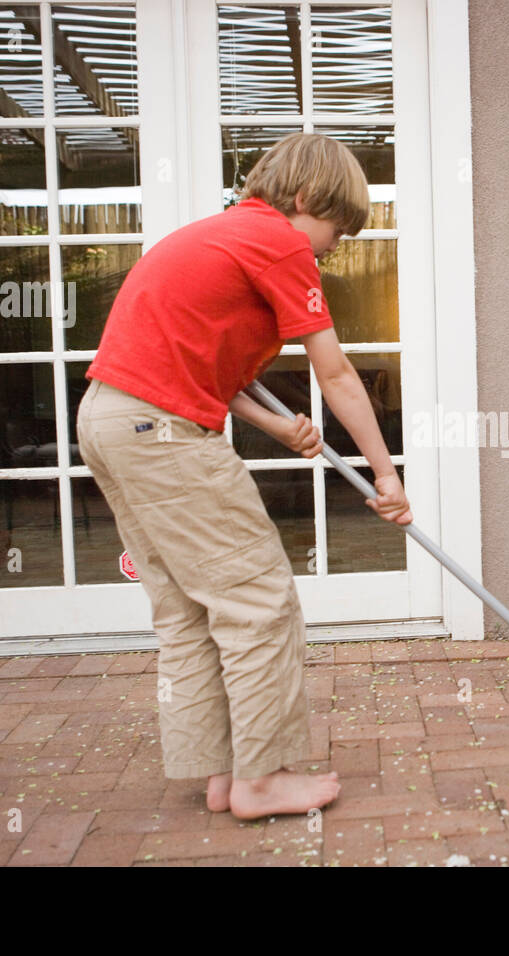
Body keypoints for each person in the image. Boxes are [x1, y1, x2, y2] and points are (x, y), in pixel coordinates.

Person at [75, 133, 412, 820]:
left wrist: (279, 426)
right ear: (301, 200)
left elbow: (202, 367)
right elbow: (337, 372)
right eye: (336, 228)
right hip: (160, 431)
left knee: (190, 608)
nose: (335, 246)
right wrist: (388, 475)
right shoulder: (281, 243)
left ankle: (223, 775)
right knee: (258, 598)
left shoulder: (221, 236)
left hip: (112, 418)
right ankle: (261, 779)